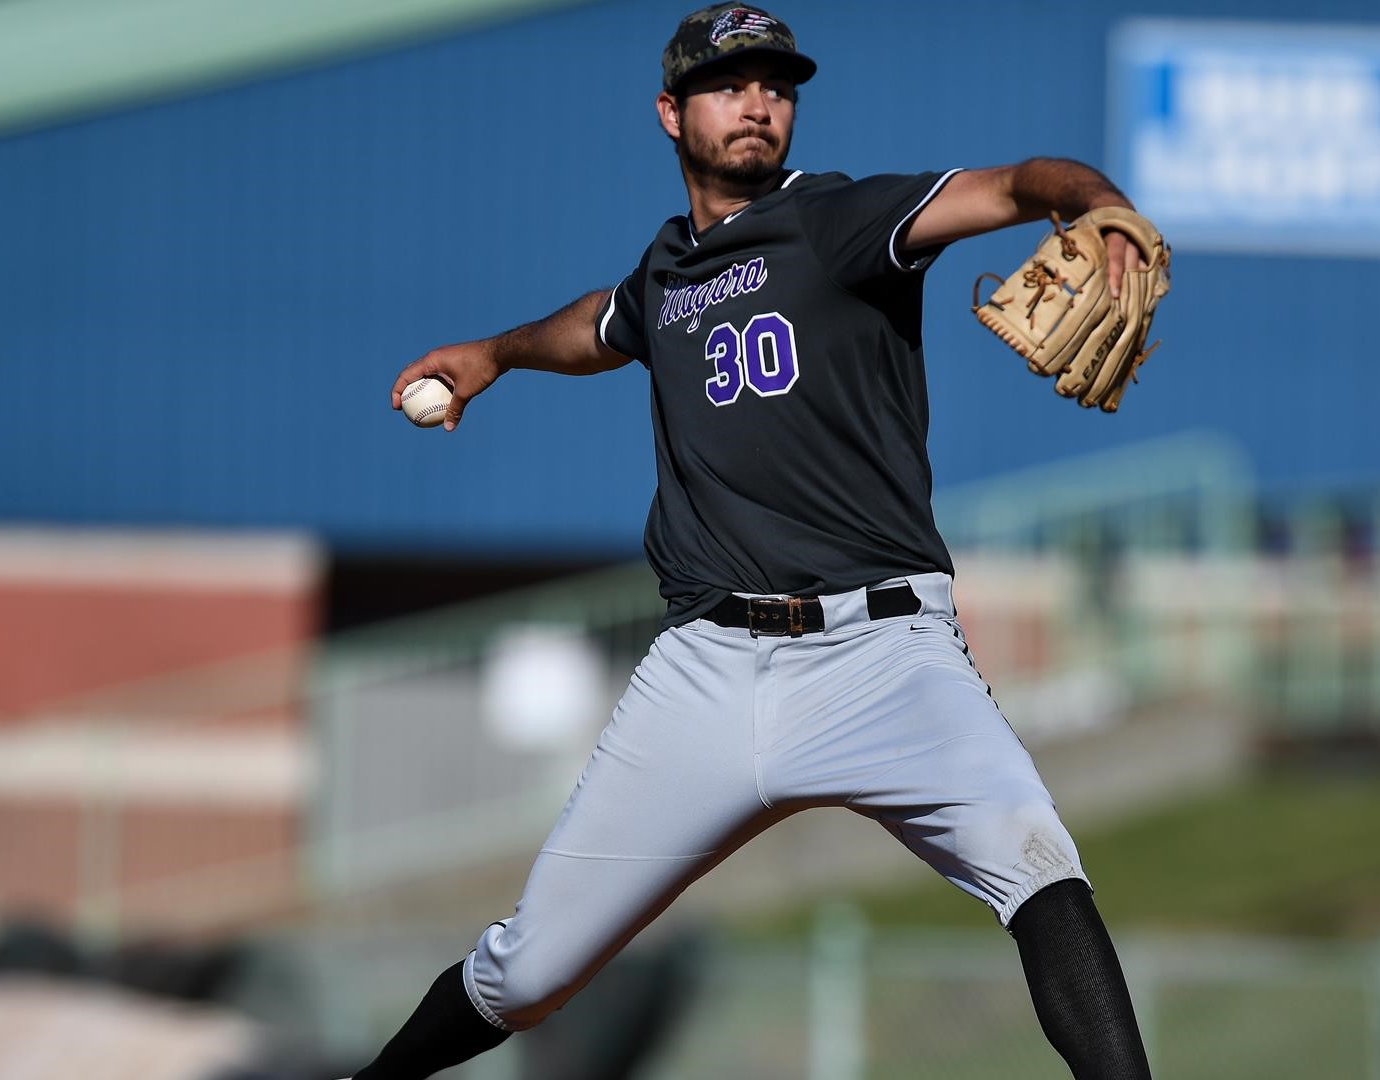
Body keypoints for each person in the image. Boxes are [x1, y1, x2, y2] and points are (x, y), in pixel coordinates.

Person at [346, 5, 1156, 1078]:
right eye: (730, 85)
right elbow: (602, 327)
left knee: (1036, 864)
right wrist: (496, 354)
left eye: (775, 84)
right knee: (529, 971)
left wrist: (1094, 205)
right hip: (710, 668)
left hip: (884, 655)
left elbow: (1011, 187)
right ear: (670, 114)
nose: (758, 102)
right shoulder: (666, 272)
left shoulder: (837, 222)